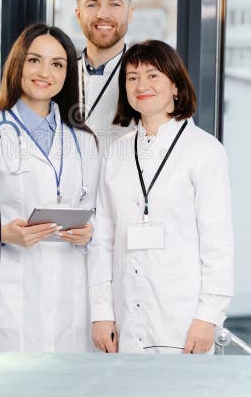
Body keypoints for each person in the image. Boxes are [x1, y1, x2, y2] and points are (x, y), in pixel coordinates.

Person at [88, 40, 233, 354]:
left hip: (183, 321)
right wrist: (101, 312)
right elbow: (103, 239)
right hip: (125, 319)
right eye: (132, 77)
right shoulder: (117, 152)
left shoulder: (205, 150)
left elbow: (218, 243)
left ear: (176, 86)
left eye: (153, 75)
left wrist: (208, 317)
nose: (142, 85)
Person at [0, 23, 100, 352]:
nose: (45, 73)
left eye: (57, 64)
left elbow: (97, 214)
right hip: (10, 295)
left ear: (68, 74)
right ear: (18, 65)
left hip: (71, 299)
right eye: (34, 60)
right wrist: (1, 232)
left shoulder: (84, 141)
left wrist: (88, 232)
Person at [75, 0, 135, 145]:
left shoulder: (149, 81)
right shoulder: (57, 76)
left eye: (114, 4)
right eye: (92, 4)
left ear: (130, 13)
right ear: (78, 15)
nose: (102, 14)